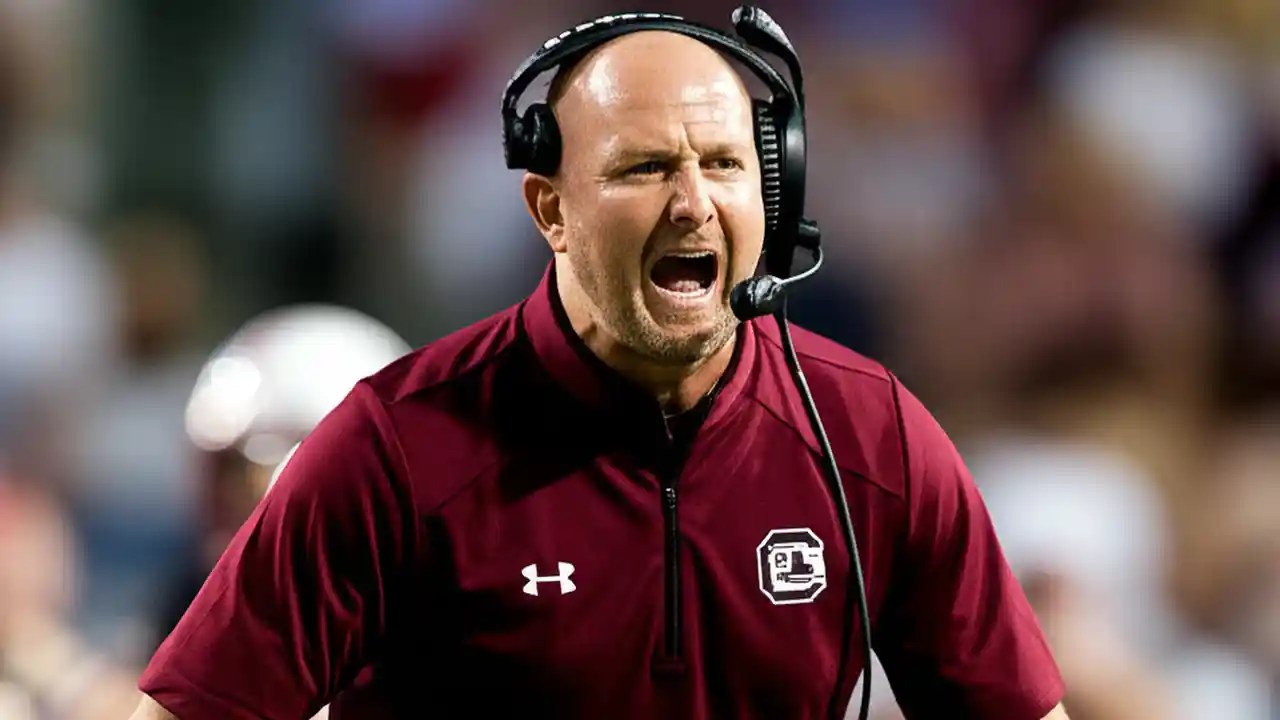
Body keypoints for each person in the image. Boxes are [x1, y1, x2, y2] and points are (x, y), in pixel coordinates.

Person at [130, 10, 1070, 720]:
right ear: (550, 209)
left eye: (725, 164)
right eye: (644, 168)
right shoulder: (398, 448)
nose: (694, 203)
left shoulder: (872, 435)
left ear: (774, 193)